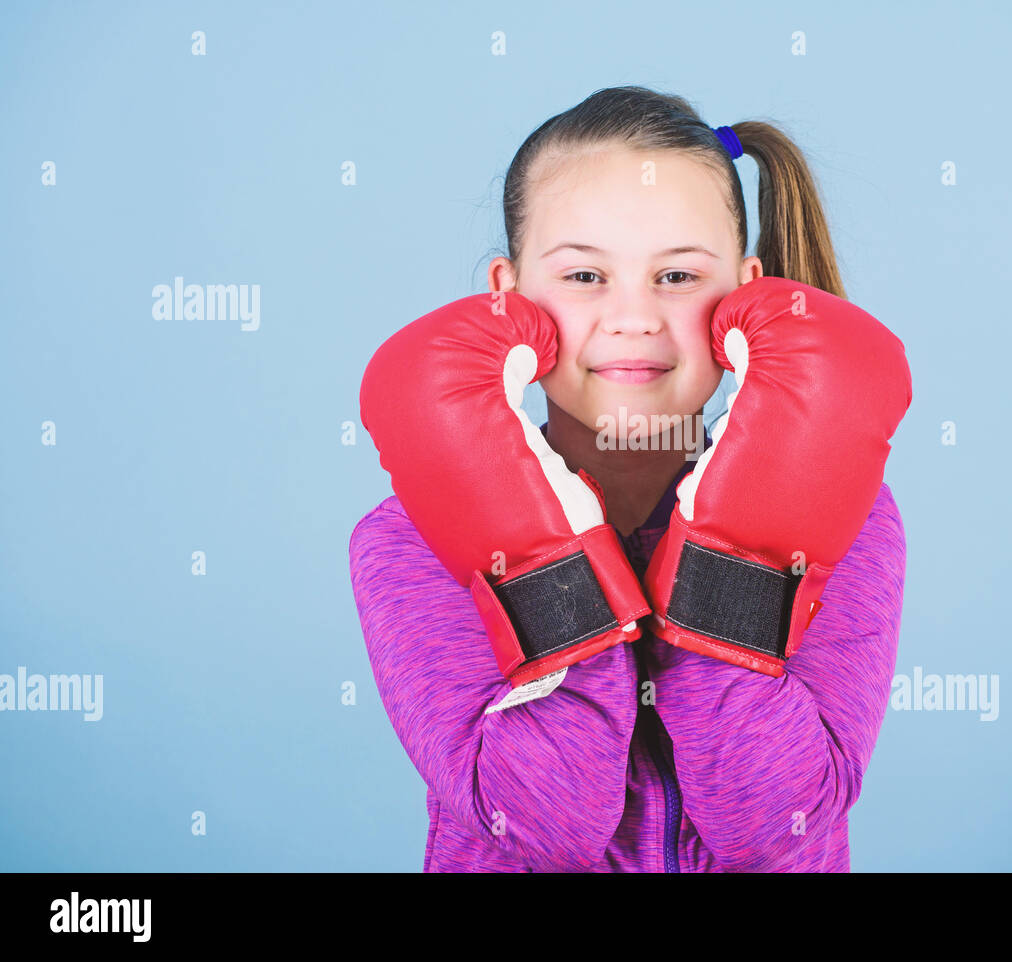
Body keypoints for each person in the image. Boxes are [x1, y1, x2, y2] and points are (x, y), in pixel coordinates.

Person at [348, 85, 911, 872]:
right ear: (508, 298)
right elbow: (539, 827)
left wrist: (737, 562)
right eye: (584, 277)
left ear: (746, 294)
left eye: (677, 276)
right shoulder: (409, 539)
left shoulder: (851, 516)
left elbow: (774, 821)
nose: (633, 317)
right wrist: (548, 566)